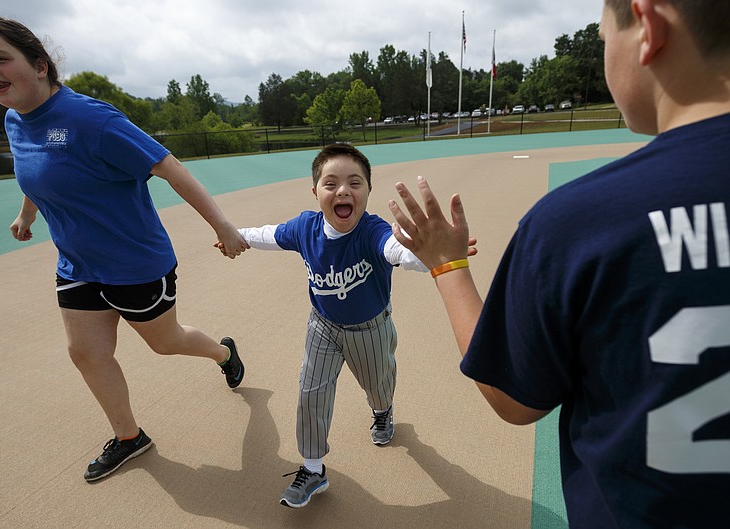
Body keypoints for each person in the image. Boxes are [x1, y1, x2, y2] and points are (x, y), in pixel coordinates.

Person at [387, 1, 730, 527]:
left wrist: (447, 265)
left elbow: (513, 397)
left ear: (648, 24)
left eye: (602, 37)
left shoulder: (580, 222)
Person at [0, 16, 250, 482]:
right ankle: (128, 437)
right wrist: (27, 214)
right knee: (85, 352)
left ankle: (223, 353)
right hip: (77, 264)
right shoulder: (14, 119)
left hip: (136, 264)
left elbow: (170, 167)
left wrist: (223, 225)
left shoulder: (91, 119)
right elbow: (38, 173)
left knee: (166, 343)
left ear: (39, 65)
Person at [216, 143, 476, 508]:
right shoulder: (305, 228)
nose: (343, 191)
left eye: (355, 183)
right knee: (311, 391)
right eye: (331, 183)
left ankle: (383, 412)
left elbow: (398, 251)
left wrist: (431, 256)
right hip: (322, 326)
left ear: (368, 190)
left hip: (370, 329)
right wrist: (236, 235)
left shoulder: (372, 231)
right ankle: (312, 469)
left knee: (378, 385)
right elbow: (268, 233)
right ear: (316, 192)